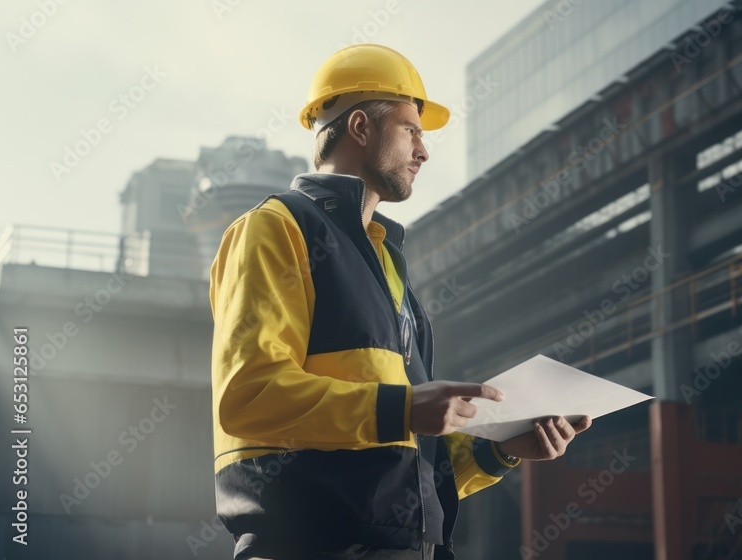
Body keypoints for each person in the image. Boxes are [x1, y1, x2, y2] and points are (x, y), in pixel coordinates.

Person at [209, 44, 592, 560]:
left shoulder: (387, 264)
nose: (424, 151)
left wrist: (499, 448)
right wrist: (405, 407)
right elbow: (249, 397)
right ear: (361, 127)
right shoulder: (276, 229)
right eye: (411, 129)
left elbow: (406, 465)